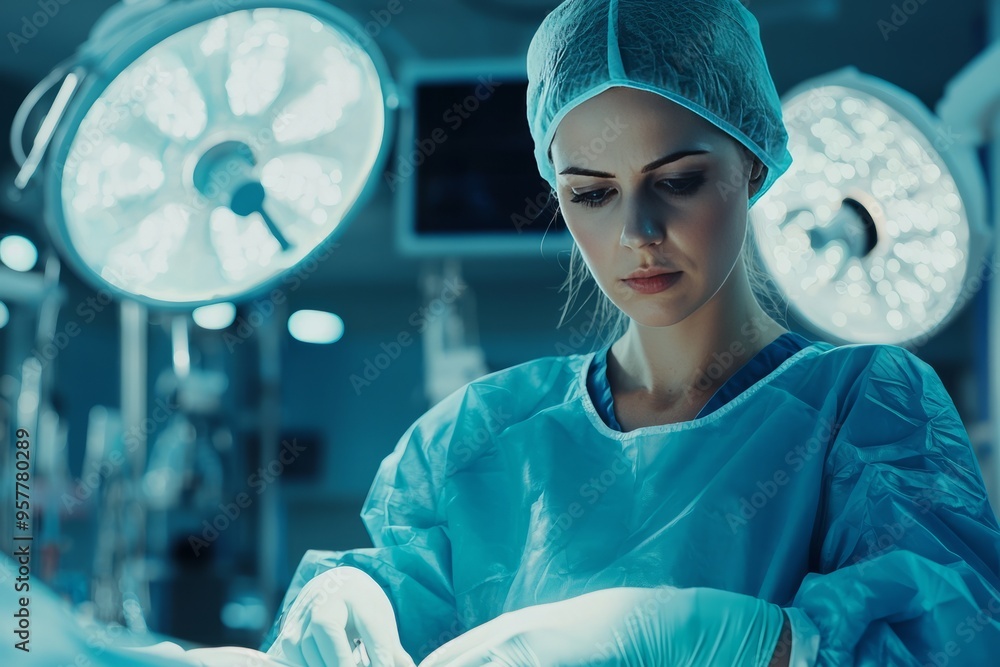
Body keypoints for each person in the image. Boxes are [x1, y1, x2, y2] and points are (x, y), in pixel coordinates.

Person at [259, 0, 1000, 665]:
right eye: (591, 193)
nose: (636, 233)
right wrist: (344, 602)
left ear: (753, 162)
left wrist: (744, 639)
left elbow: (955, 637)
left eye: (677, 181)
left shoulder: (861, 407)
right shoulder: (473, 439)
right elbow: (396, 600)